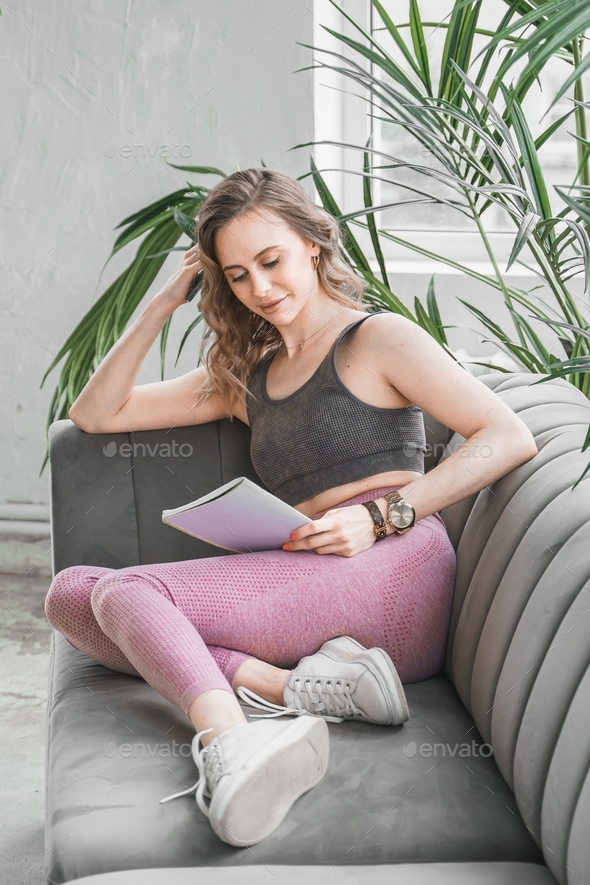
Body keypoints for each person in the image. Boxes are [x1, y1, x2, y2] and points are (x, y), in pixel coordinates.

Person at [44, 167, 538, 848]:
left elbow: (508, 434)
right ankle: (292, 689)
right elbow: (98, 413)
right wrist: (163, 303)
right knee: (73, 595)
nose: (260, 288)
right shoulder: (247, 379)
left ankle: (231, 742)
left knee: (130, 591)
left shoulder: (378, 338)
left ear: (311, 242)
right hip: (315, 589)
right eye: (237, 274)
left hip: (397, 572)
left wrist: (379, 516)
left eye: (271, 261)